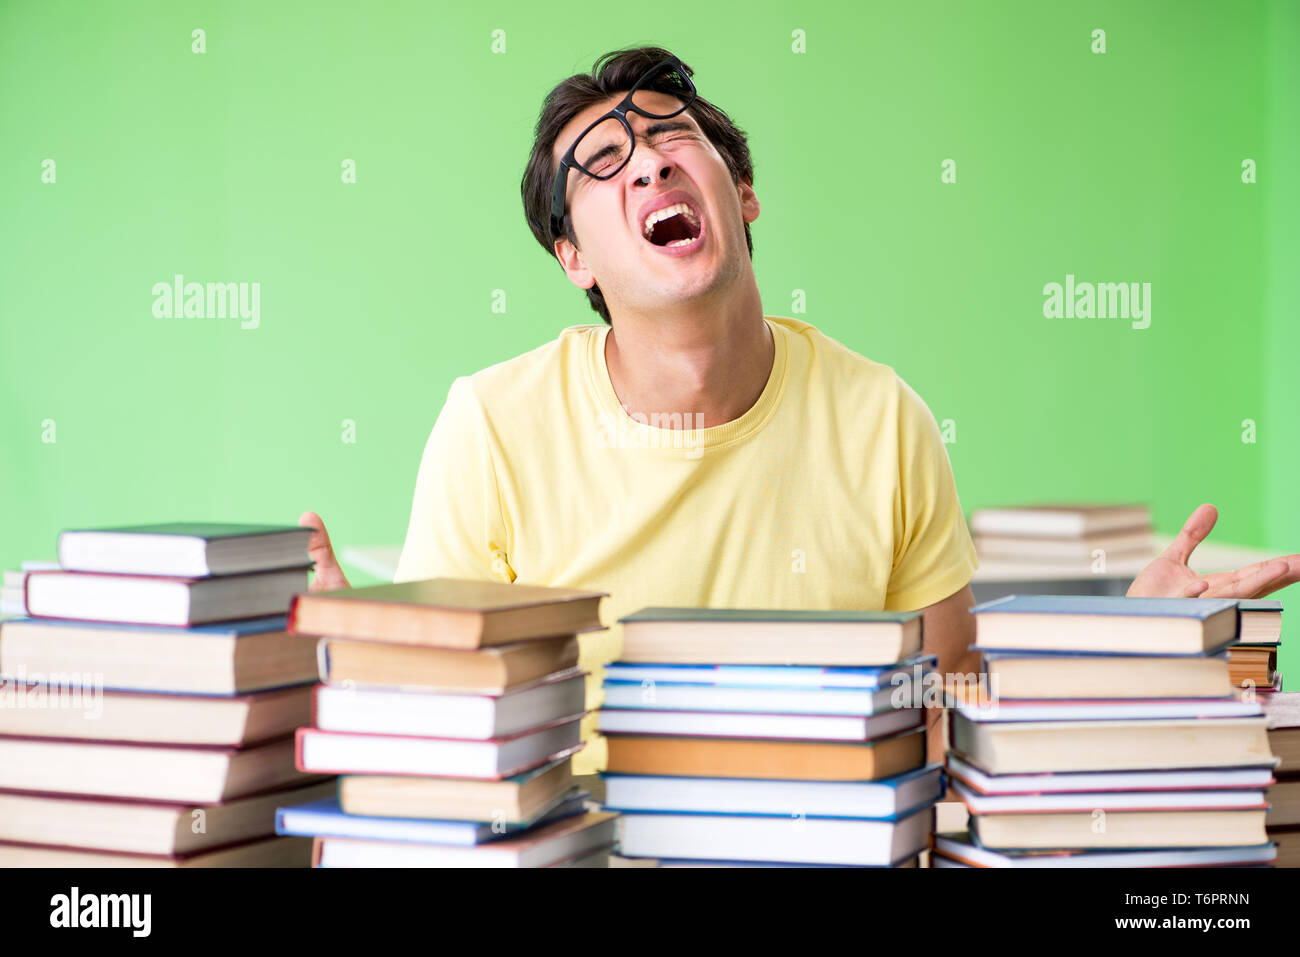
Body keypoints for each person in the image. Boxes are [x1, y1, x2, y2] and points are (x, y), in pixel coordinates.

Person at [300, 46, 1300, 777]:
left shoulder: (882, 418)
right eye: (600, 165)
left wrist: (1126, 647)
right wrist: (353, 660)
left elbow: (944, 707)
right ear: (575, 260)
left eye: (668, 139)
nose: (645, 165)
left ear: (740, 194)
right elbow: (445, 729)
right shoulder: (489, 425)